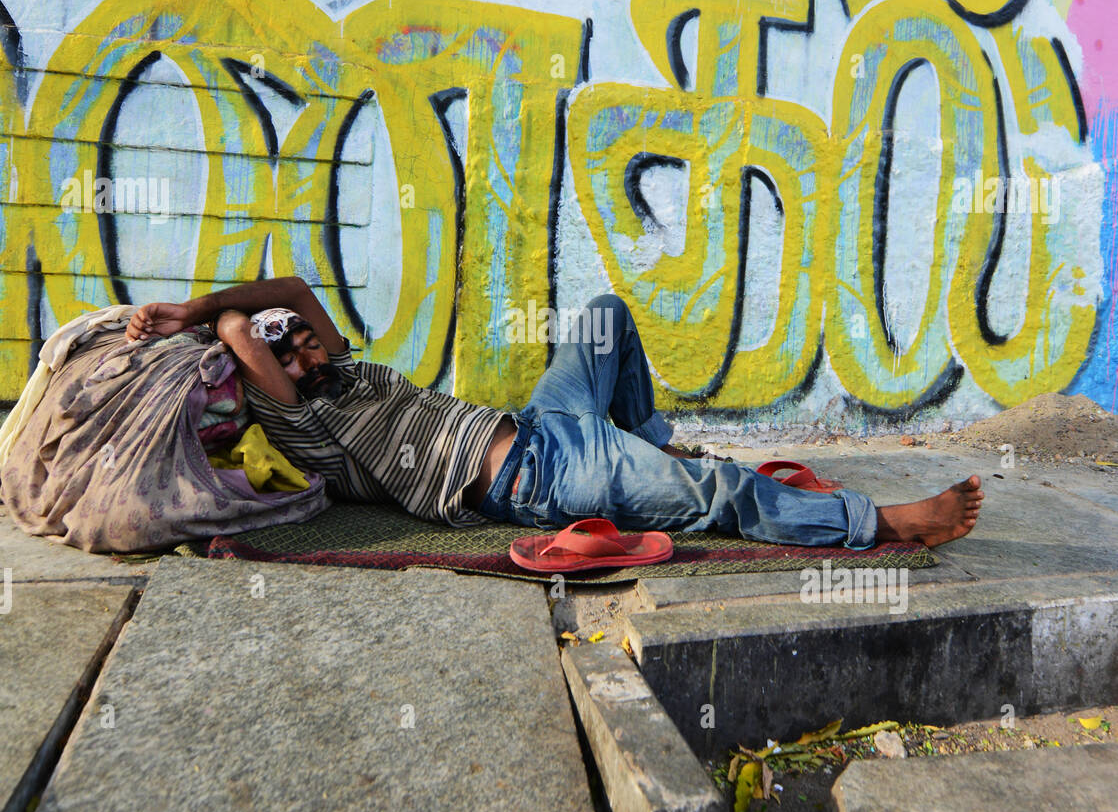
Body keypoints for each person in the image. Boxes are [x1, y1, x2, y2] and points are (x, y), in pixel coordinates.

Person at [125, 276, 983, 548]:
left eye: (308, 342)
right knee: (720, 493)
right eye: (291, 354)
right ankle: (884, 524)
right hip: (534, 476)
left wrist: (259, 315)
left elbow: (286, 289)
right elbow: (240, 327)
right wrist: (194, 316)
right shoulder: (301, 423)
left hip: (542, 423)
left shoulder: (342, 370)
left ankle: (648, 446)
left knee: (605, 315)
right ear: (269, 376)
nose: (310, 353)